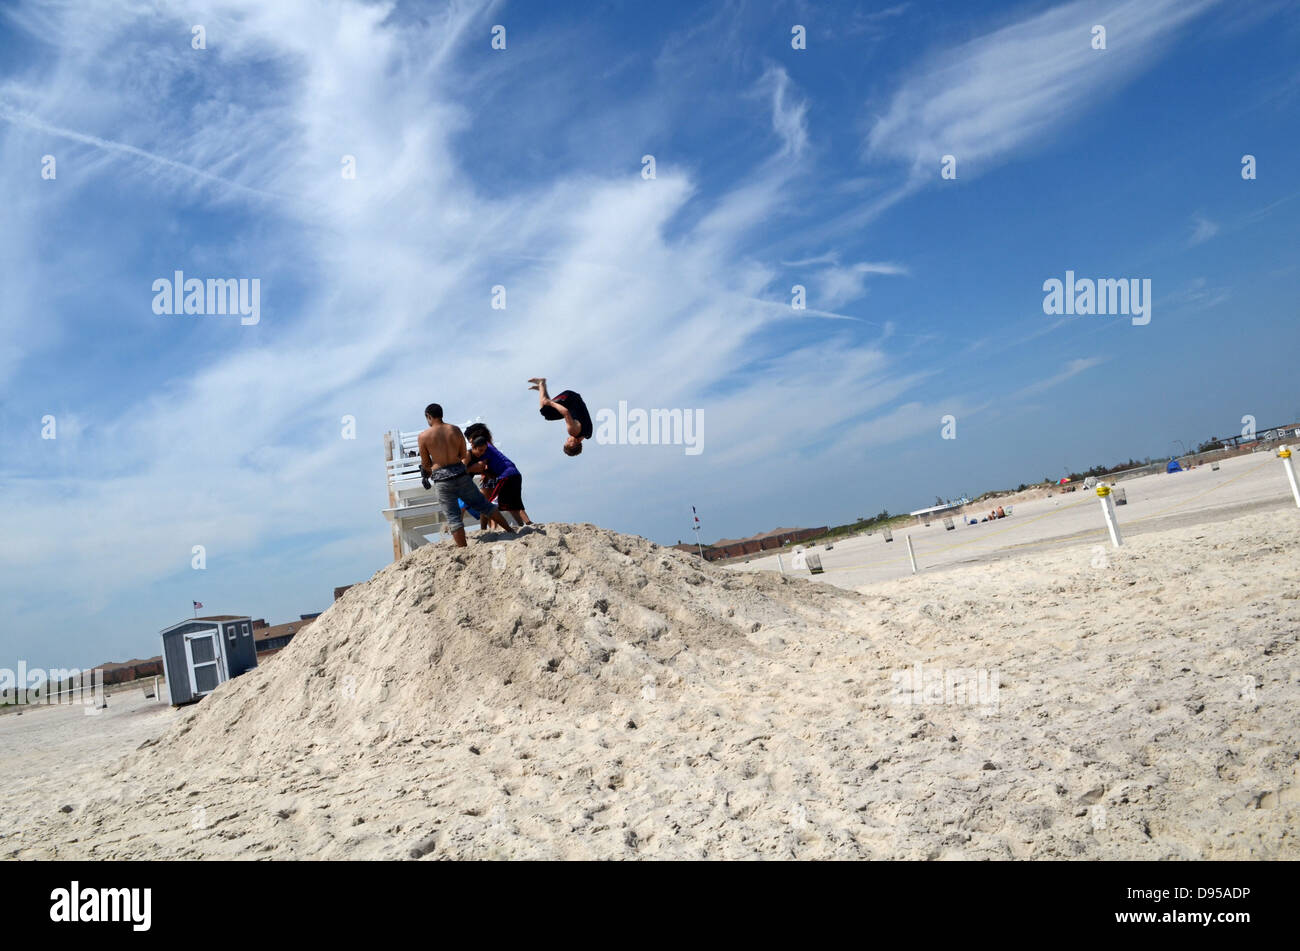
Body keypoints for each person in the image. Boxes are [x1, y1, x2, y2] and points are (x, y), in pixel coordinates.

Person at [417, 403, 514, 547]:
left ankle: (463, 549)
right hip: (461, 475)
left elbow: (426, 463)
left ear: (429, 416)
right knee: (484, 505)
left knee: (453, 517)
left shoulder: (423, 436)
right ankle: (510, 531)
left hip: (442, 480)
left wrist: (427, 472)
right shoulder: (455, 430)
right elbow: (463, 454)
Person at [467, 434, 532, 525]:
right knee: (514, 504)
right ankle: (525, 524)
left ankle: (494, 527)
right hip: (516, 474)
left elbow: (481, 466)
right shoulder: (489, 447)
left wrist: (474, 470)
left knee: (491, 504)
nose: (482, 452)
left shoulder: (483, 453)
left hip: (506, 476)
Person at [528, 377, 591, 456]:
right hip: (570, 398)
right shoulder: (573, 431)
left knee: (549, 415)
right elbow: (565, 412)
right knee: (545, 410)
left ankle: (542, 389)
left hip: (574, 401)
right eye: (568, 441)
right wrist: (550, 403)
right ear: (573, 444)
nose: (567, 438)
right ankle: (541, 384)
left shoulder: (588, 434)